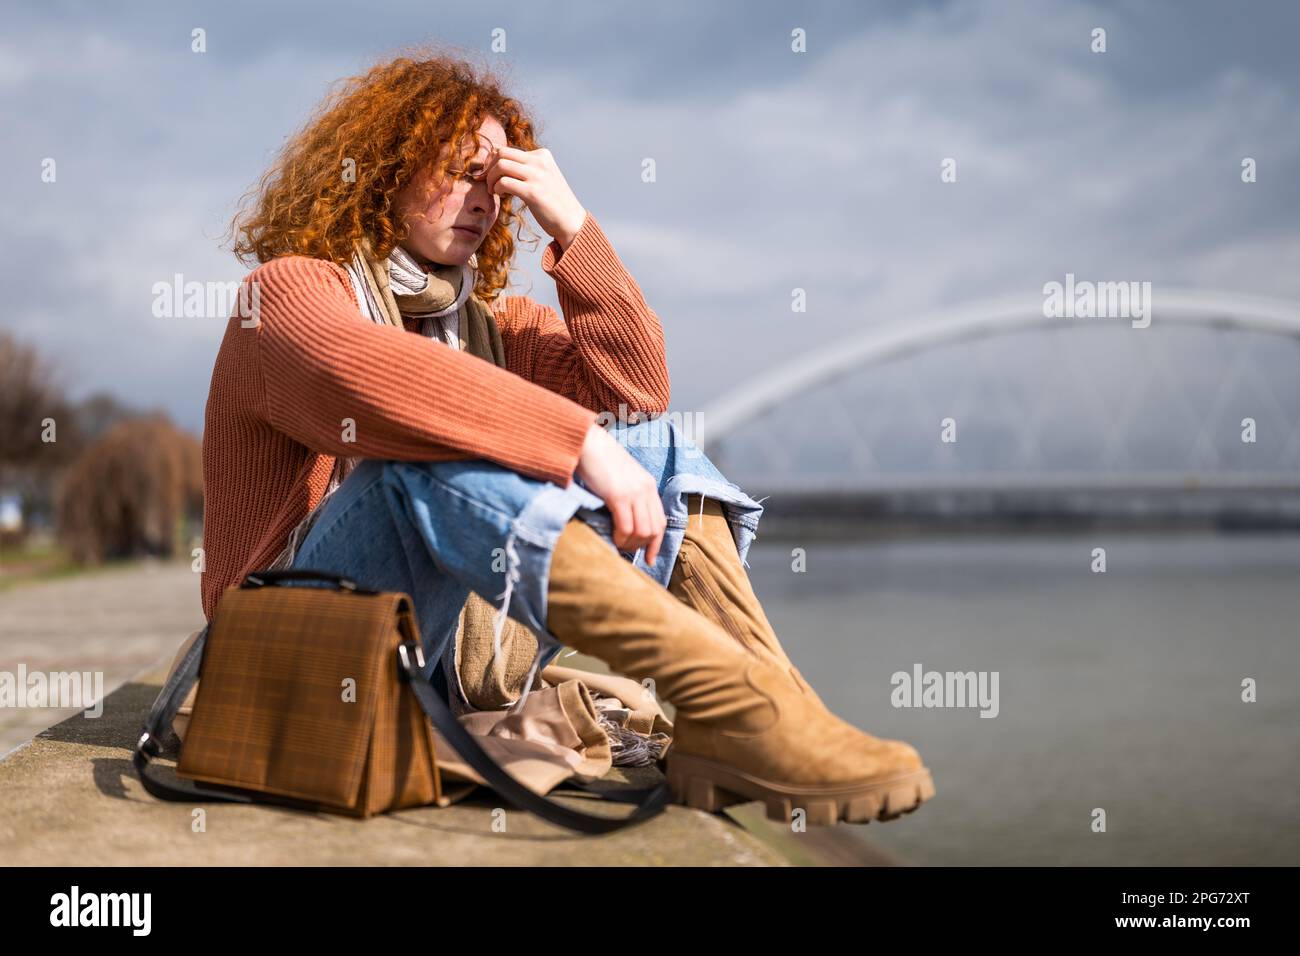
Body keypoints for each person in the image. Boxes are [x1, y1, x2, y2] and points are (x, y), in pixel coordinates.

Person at [206, 49, 934, 825]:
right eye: (458, 170)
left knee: (654, 443)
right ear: (383, 169)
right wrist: (579, 444)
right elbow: (373, 380)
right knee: (425, 452)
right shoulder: (285, 294)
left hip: (451, 659)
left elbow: (636, 392)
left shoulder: (499, 330)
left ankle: (761, 715)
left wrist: (574, 227)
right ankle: (740, 703)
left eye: (499, 181)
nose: (483, 198)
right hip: (294, 657)